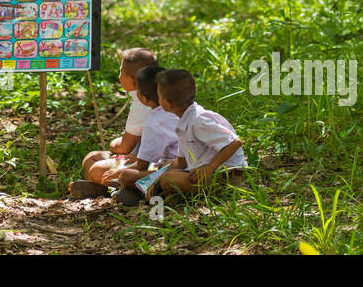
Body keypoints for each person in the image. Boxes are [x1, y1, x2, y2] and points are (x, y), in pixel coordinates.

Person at [69, 47, 158, 198]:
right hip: (146, 158)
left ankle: (127, 191)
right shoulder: (160, 92)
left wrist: (113, 144)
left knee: (95, 168)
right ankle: (113, 190)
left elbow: (125, 147)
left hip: (151, 165)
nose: (119, 76)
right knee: (93, 156)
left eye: (121, 71)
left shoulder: (142, 101)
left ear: (134, 81)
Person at [152, 69, 247, 196]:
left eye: (159, 96)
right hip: (200, 173)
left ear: (168, 104)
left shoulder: (198, 121)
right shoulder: (185, 120)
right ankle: (159, 191)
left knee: (169, 180)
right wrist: (154, 181)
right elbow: (180, 162)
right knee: (164, 170)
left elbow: (235, 142)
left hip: (225, 176)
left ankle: (215, 192)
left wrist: (210, 167)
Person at [108, 65, 179, 204]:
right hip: (187, 164)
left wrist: (119, 172)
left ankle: (143, 191)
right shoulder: (180, 108)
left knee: (126, 176)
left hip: (178, 168)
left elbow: (142, 165)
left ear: (143, 97)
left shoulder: (154, 122)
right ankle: (149, 190)